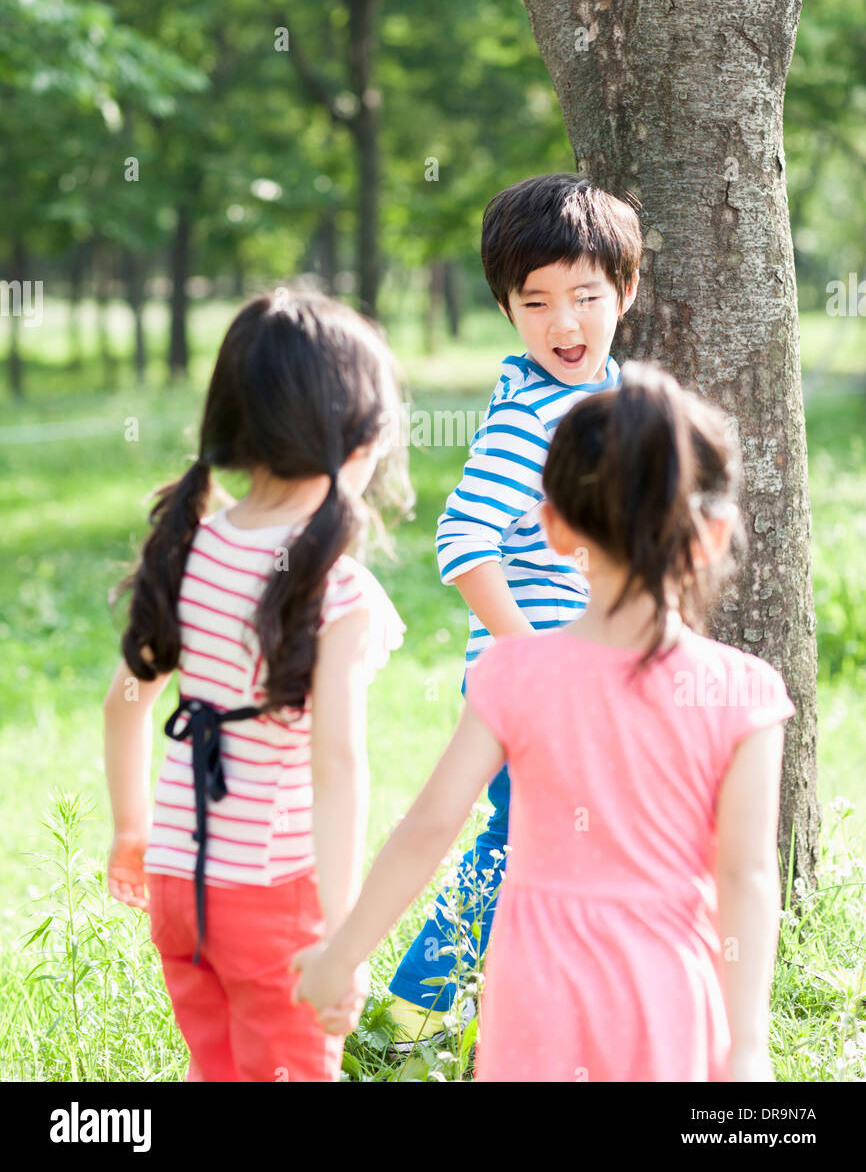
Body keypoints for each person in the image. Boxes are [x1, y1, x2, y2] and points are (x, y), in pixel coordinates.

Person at [295, 361, 796, 1082]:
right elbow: (747, 874)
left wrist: (341, 957)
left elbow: (431, 828)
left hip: (536, 995)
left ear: (554, 526)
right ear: (715, 534)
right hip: (669, 999)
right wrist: (746, 1047)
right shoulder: (744, 694)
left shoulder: (512, 675)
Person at [103, 289, 411, 1082]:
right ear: (359, 437)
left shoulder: (189, 544)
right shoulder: (338, 592)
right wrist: (340, 940)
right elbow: (336, 767)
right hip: (271, 894)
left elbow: (125, 702)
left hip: (178, 880)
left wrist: (131, 832)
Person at [387, 174, 642, 1038]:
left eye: (584, 296)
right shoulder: (530, 417)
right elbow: (462, 542)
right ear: (505, 308)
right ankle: (413, 1015)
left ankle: (551, 1010)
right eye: (535, 304)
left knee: (568, 845)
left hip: (594, 680)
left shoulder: (614, 395)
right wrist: (533, 655)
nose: (563, 325)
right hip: (533, 678)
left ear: (626, 292)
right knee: (516, 847)